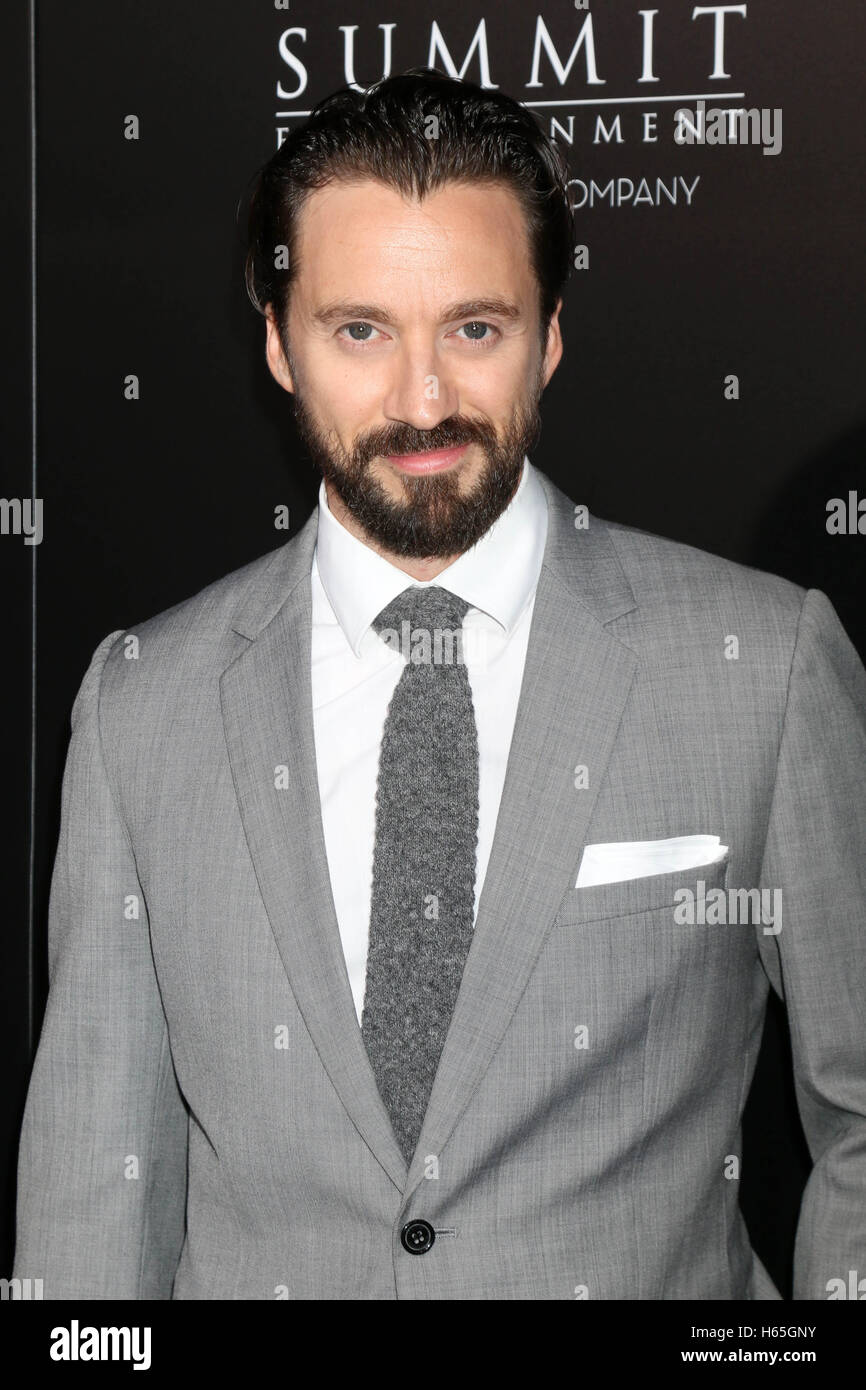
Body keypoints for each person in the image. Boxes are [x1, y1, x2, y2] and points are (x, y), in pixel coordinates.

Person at [13, 67, 866, 1300]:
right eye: (359, 330)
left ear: (550, 334)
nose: (422, 401)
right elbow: (100, 1185)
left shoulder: (761, 664)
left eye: (474, 327)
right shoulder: (142, 704)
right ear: (277, 342)